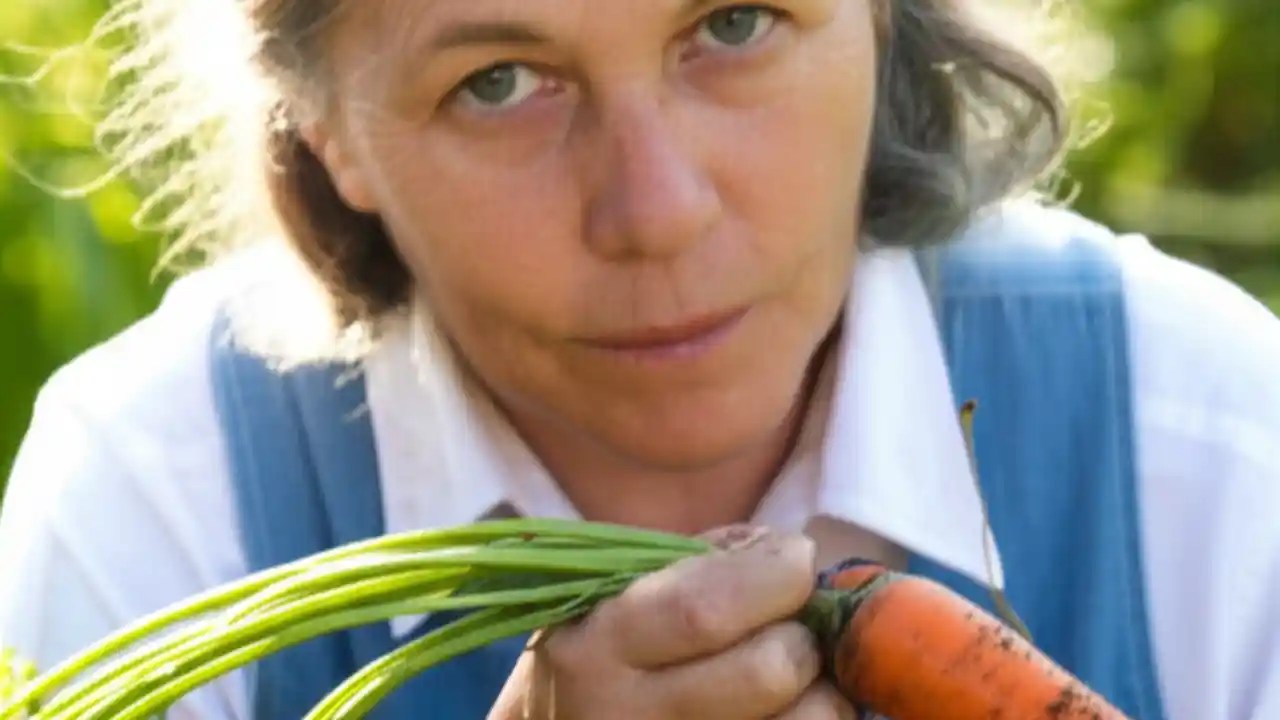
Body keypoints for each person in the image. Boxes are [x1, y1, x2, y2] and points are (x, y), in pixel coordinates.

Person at [1, 0, 1278, 718]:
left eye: (733, 23)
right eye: (498, 83)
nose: (656, 208)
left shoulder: (1201, 428)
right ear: (327, 128)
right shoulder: (163, 504)